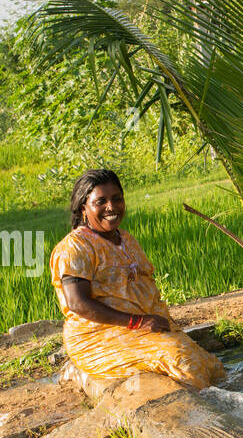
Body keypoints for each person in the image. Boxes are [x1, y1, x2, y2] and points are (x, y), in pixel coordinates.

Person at [49, 168, 226, 392]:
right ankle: (202, 418)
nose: (111, 207)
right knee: (183, 360)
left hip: (140, 329)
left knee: (213, 367)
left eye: (117, 199)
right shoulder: (75, 247)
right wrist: (137, 322)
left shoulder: (126, 239)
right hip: (98, 340)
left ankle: (234, 411)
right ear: (83, 208)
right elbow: (78, 303)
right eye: (100, 201)